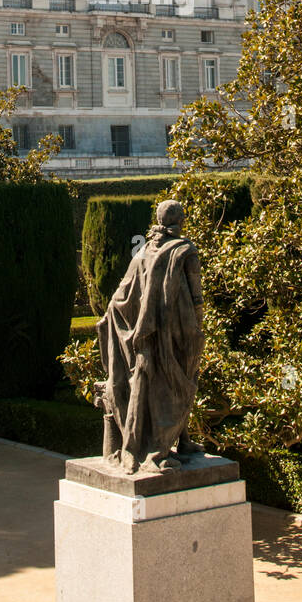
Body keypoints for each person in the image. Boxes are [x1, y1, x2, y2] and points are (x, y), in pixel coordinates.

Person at [96, 200, 205, 474]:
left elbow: (122, 295)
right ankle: (161, 448)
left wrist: (114, 319)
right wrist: (197, 327)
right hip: (176, 330)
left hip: (149, 334)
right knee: (180, 382)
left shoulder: (144, 251)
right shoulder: (185, 250)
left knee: (165, 385)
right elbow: (197, 296)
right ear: (180, 220)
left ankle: (183, 439)